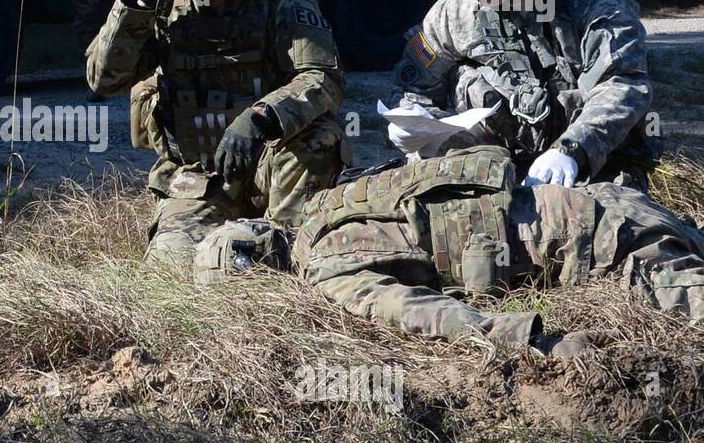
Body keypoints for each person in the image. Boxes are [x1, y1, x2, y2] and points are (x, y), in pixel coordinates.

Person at [195, 146, 704, 356]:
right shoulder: (334, 202)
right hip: (611, 199)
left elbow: (427, 315)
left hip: (610, 251)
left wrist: (537, 339)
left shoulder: (327, 273)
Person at [87, 0, 349, 263]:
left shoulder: (284, 4)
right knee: (170, 273)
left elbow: (324, 78)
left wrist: (259, 119)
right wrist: (141, 3)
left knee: (318, 143)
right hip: (196, 178)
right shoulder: (163, 9)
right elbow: (103, 79)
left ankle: (291, 248)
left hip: (267, 167)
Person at [385, 0, 657, 190]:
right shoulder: (456, 9)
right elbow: (413, 85)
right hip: (492, 164)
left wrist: (571, 151)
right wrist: (411, 117)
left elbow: (623, 84)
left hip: (587, 166)